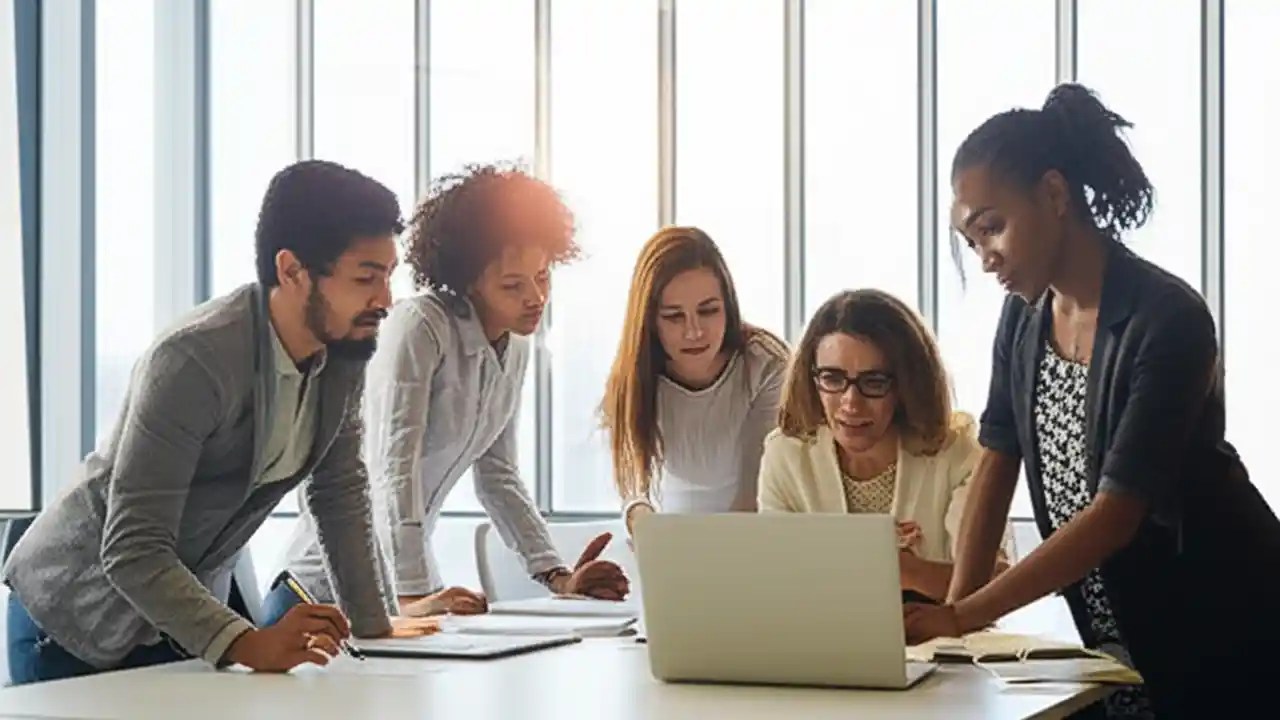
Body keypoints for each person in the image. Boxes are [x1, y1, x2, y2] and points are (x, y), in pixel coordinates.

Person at [903, 83, 1280, 718]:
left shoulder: (1167, 316)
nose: (985, 257)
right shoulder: (1022, 321)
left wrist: (962, 613)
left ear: (1054, 194)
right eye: (971, 242)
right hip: (1117, 649)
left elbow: (1117, 511)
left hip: (1229, 626)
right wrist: (955, 624)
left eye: (992, 228)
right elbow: (999, 458)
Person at [2, 160, 435, 685]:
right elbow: (133, 546)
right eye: (366, 278)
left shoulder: (341, 353)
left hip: (176, 622)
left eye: (388, 276)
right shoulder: (194, 359)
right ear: (292, 270)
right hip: (75, 619)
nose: (385, 300)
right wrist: (247, 642)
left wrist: (375, 627)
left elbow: (339, 490)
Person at [271, 163, 629, 623]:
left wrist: (558, 577)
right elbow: (392, 472)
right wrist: (411, 596)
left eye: (542, 277)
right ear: (470, 280)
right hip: (317, 594)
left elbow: (498, 476)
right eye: (513, 285)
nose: (535, 298)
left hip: (388, 594)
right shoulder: (422, 327)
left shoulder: (514, 348)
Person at [758, 289, 1010, 601]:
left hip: (938, 646)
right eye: (833, 379)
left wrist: (906, 570)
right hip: (820, 645)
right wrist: (865, 558)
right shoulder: (786, 454)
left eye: (874, 383)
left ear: (906, 385)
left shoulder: (957, 454)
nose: (851, 404)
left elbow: (996, 583)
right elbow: (778, 583)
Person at [601, 226, 790, 536]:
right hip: (672, 535)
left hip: (756, 531)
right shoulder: (633, 377)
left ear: (728, 308)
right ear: (649, 320)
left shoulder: (765, 365)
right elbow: (633, 487)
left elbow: (757, 490)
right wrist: (642, 520)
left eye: (708, 311)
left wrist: (717, 557)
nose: (694, 332)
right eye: (674, 316)